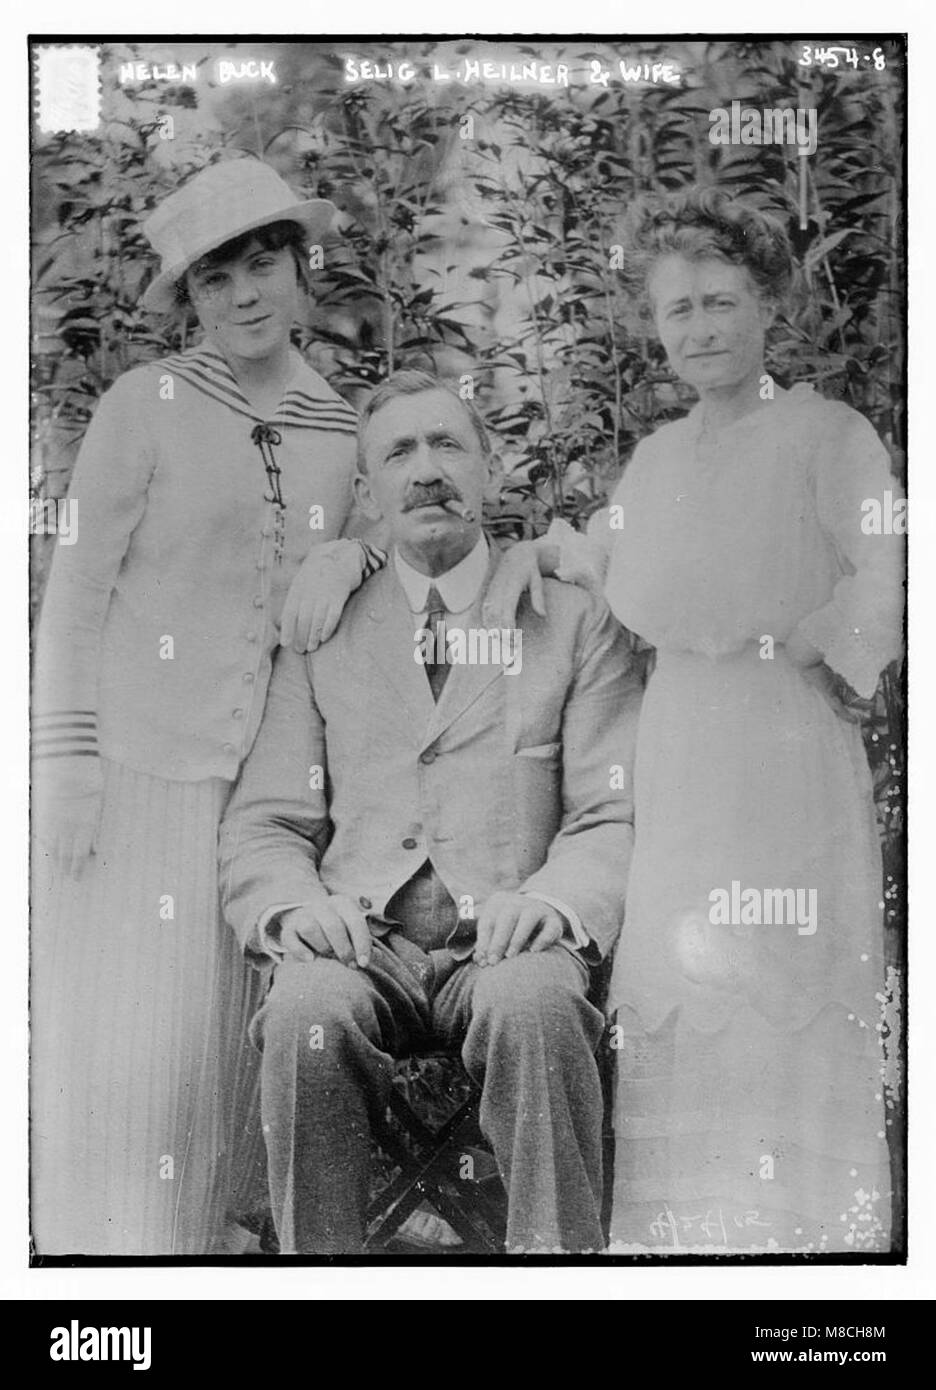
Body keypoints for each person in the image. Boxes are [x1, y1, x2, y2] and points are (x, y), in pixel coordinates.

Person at [484, 187, 905, 1251]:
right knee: (688, 984)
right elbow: (606, 566)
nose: (703, 329)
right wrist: (542, 555)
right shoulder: (661, 459)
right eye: (680, 312)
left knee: (779, 979)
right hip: (681, 753)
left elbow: (893, 566)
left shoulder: (826, 433)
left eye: (722, 302)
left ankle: (806, 1252)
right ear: (657, 328)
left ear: (768, 303)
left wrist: (810, 637)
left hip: (787, 746)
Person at [31, 157, 385, 1254]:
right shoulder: (151, 403)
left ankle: (192, 1263)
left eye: (261, 262)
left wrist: (358, 550)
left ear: (298, 267)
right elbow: (75, 586)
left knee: (213, 1057)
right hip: (132, 778)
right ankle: (98, 1265)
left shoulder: (340, 427)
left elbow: (387, 552)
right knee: (127, 1049)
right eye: (214, 276)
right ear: (191, 298)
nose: (243, 293)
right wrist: (67, 759)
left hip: (259, 800)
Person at [218, 371, 642, 1254]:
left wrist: (556, 904)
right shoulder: (324, 627)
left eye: (448, 445)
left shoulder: (565, 617)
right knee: (306, 1015)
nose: (427, 470)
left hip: (507, 938)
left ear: (490, 468)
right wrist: (298, 908)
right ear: (368, 493)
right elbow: (266, 824)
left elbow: (609, 812)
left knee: (536, 1004)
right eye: (399, 453)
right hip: (362, 941)